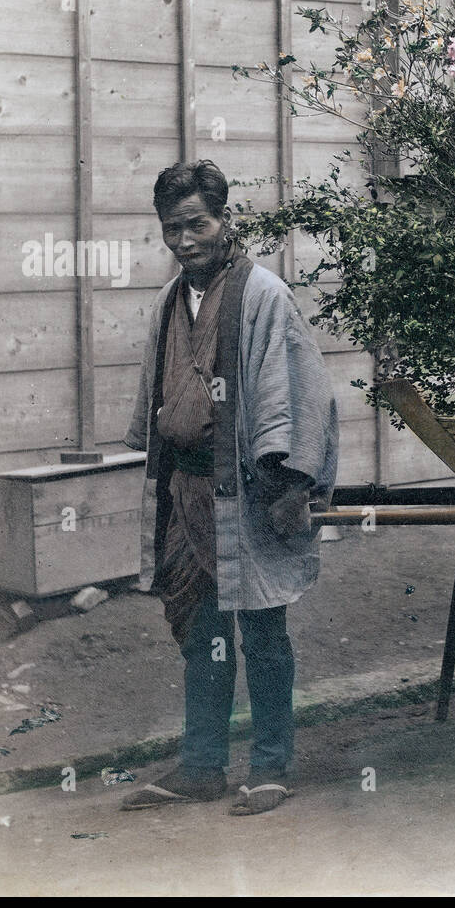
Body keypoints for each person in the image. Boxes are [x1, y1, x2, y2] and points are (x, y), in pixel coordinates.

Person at [119, 160, 339, 816]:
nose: (185, 240)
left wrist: (290, 479)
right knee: (202, 632)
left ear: (226, 221)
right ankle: (202, 764)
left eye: (197, 224)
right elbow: (158, 394)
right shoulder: (168, 302)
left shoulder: (264, 294)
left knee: (263, 631)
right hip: (187, 490)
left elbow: (300, 392)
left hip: (251, 488)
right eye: (171, 229)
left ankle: (272, 764)